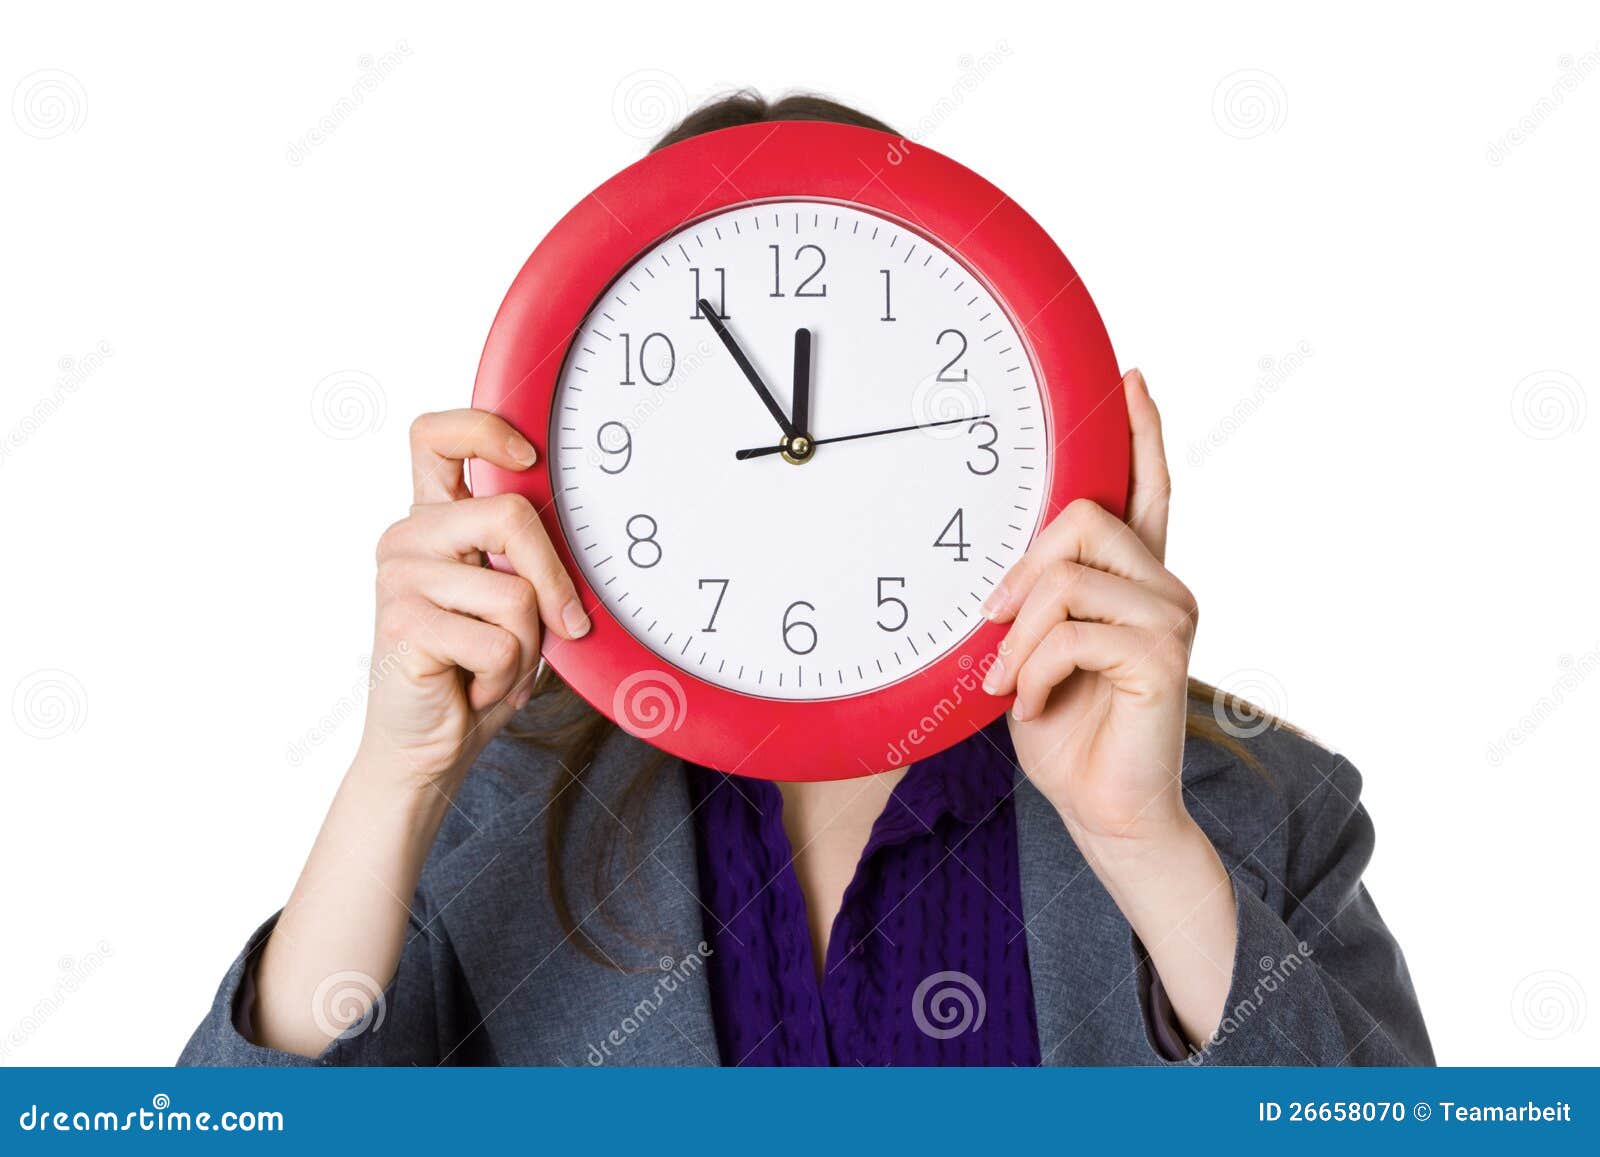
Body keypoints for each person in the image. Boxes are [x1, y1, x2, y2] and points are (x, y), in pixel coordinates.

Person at [180, 93, 1432, 1067]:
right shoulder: (477, 821)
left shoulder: (1248, 813)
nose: (800, 462)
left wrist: (1145, 845)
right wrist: (393, 780)